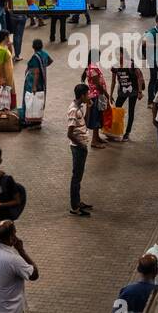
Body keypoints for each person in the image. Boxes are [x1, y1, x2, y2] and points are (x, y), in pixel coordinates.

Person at [68, 84, 93, 216]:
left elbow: (86, 124)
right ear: (82, 95)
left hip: (81, 146)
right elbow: (70, 133)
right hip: (78, 148)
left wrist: (89, 107)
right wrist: (82, 145)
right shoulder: (73, 110)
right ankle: (74, 207)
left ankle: (77, 201)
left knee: (79, 176)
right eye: (87, 94)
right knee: (76, 177)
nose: (88, 96)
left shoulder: (79, 108)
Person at [110, 49, 144, 142]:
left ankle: (127, 133)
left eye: (119, 55)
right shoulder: (115, 66)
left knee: (131, 111)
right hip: (122, 91)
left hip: (133, 91)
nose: (118, 57)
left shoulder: (131, 64)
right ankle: (115, 131)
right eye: (116, 55)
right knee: (116, 109)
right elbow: (113, 81)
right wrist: (110, 95)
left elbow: (139, 77)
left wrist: (140, 92)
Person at [81, 49, 111, 148]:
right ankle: (94, 141)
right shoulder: (92, 68)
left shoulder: (91, 67)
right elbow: (98, 85)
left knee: (99, 116)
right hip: (97, 96)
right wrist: (107, 94)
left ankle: (97, 137)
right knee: (96, 117)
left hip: (97, 95)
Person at [21, 38, 52, 127]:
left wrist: (34, 86)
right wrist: (43, 66)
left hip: (33, 82)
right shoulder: (44, 54)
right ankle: (37, 118)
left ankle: (30, 119)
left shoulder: (35, 57)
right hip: (42, 82)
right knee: (39, 100)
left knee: (30, 99)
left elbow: (36, 72)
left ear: (33, 47)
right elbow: (50, 61)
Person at [0, 30, 16, 115]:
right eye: (8, 37)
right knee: (2, 94)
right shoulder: (0, 50)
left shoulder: (3, 48)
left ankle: (10, 114)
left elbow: (9, 56)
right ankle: (2, 116)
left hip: (8, 75)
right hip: (3, 75)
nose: (9, 39)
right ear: (6, 37)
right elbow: (0, 65)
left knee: (9, 93)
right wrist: (2, 78)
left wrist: (10, 47)